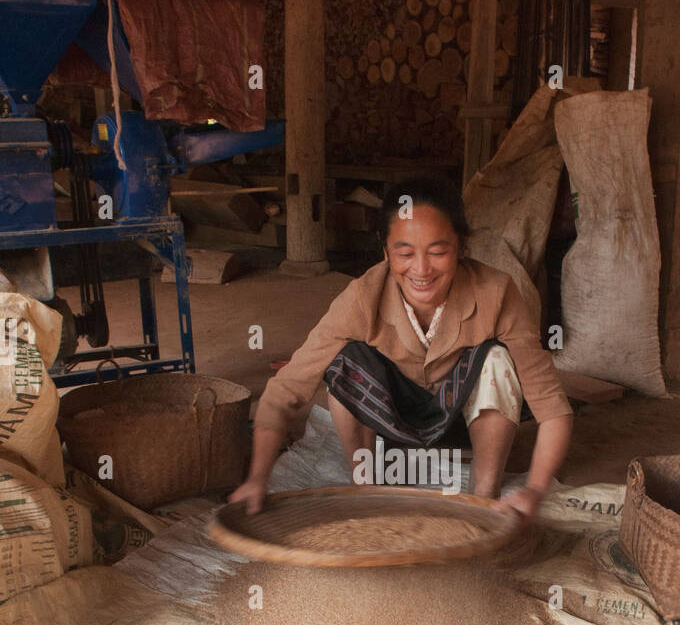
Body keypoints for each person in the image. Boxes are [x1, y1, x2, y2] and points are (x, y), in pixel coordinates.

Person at [231, 174, 573, 521]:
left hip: (460, 423)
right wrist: (259, 478)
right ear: (386, 252)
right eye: (405, 253)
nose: (421, 269)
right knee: (345, 364)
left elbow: (551, 405)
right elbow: (285, 390)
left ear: (462, 248)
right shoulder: (363, 297)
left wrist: (536, 489)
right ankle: (366, 488)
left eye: (438, 252)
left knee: (497, 360)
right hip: (392, 426)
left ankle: (484, 499)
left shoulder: (497, 293)